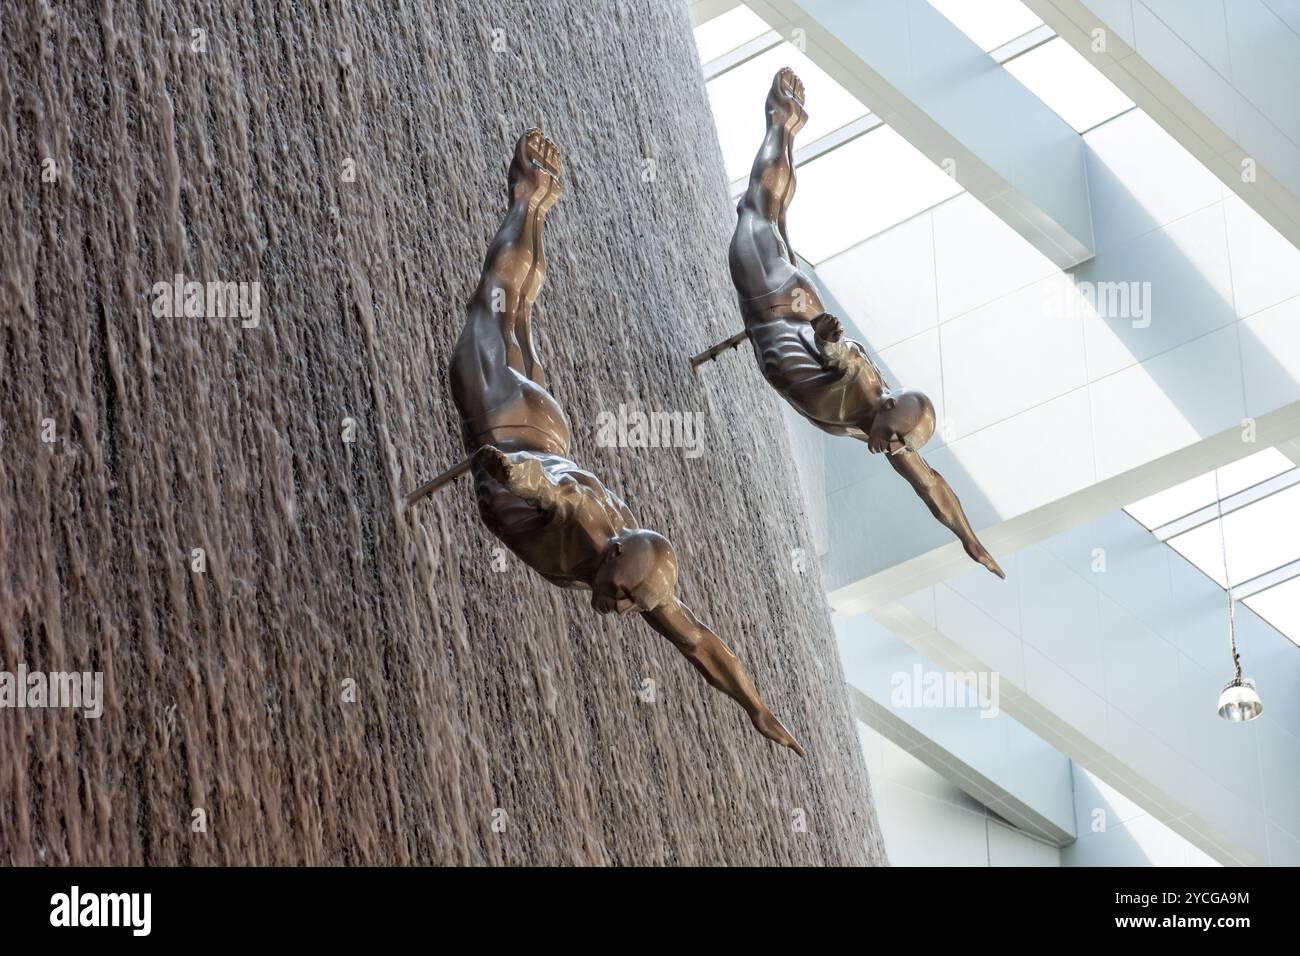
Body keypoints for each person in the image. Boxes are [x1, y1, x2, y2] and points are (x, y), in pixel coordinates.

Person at [448, 129, 805, 756]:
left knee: (517, 315)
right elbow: (553, 493)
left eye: (626, 602)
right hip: (505, 426)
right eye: (619, 595)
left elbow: (699, 641)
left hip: (549, 429)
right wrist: (510, 473)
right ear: (615, 555)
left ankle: (536, 207)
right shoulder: (592, 527)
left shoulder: (639, 578)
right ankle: (526, 198)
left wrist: (756, 709)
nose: (616, 609)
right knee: (495, 309)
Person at [728, 69, 1003, 579]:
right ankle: (781, 122)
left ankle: (787, 128)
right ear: (891, 404)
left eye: (898, 445)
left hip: (784, 310)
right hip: (772, 300)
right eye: (895, 436)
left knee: (778, 222)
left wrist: (970, 540)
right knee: (759, 211)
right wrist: (829, 340)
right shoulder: (862, 380)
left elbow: (933, 486)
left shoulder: (886, 435)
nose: (890, 448)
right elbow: (839, 354)